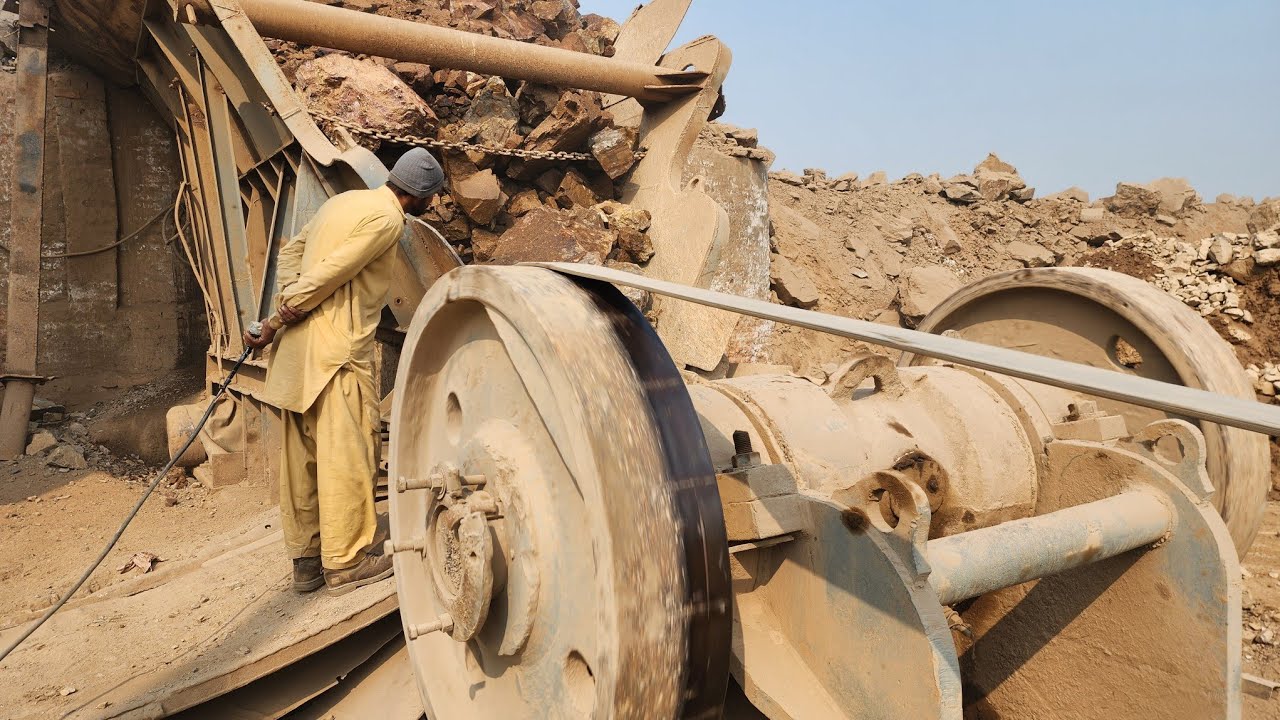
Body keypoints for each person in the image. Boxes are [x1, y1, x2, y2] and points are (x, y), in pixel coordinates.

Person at [243, 148, 444, 596]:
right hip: (337, 355)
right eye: (432, 199)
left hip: (298, 353)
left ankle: (307, 563)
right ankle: (346, 563)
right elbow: (332, 274)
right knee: (348, 458)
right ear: (420, 197)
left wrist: (285, 311)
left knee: (301, 462)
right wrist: (281, 318)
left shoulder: (342, 203)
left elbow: (292, 254)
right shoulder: (388, 220)